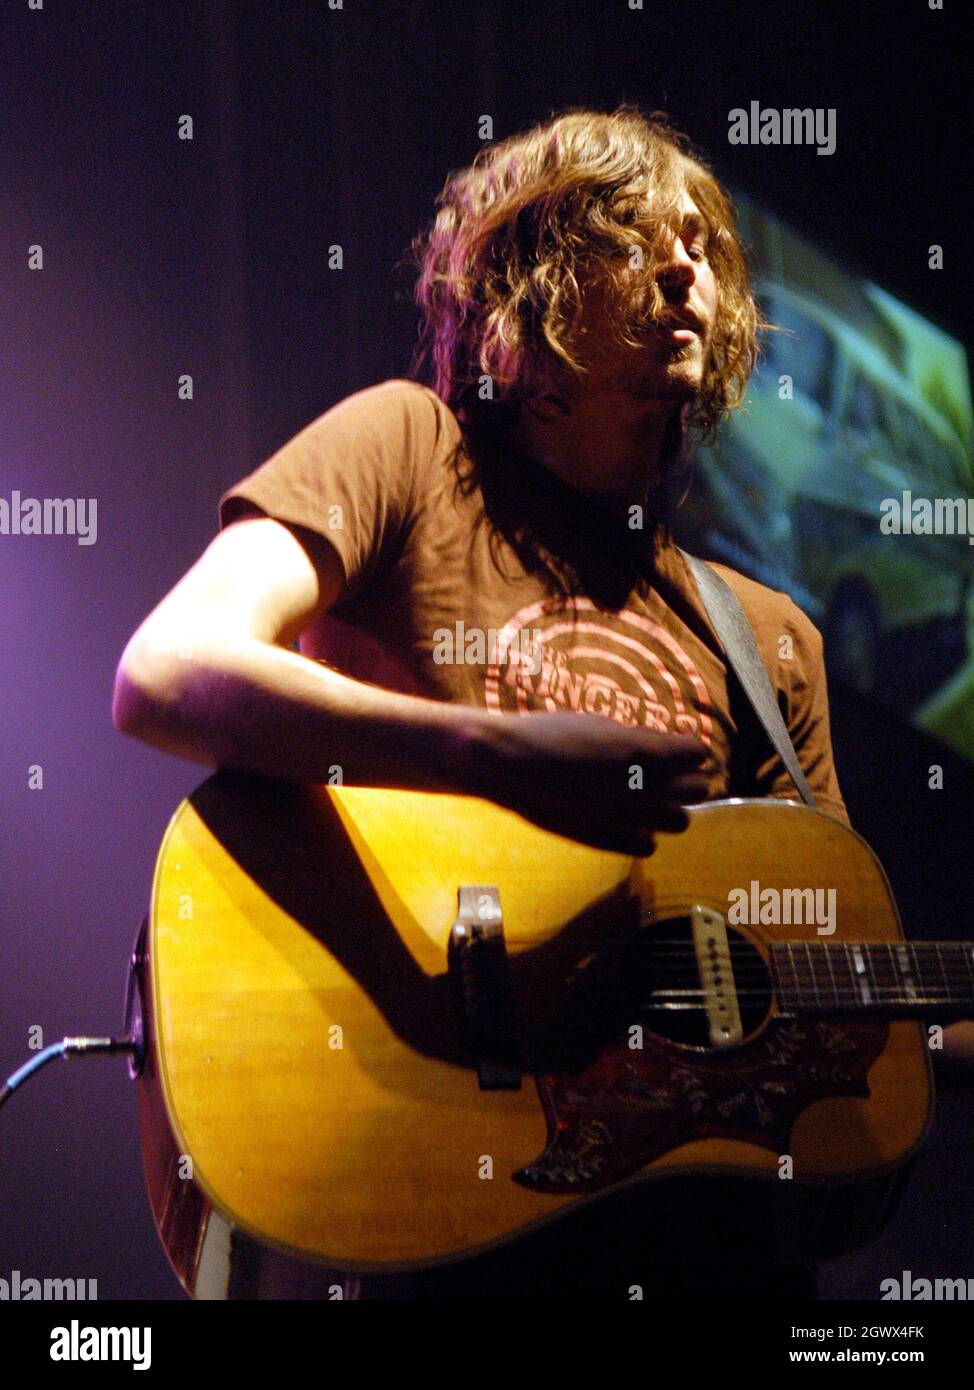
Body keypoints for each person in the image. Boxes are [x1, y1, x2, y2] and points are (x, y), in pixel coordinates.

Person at [113, 105, 850, 1297]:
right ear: (527, 278)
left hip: (684, 1246)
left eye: (702, 244)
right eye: (626, 234)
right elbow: (167, 672)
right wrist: (494, 752)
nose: (684, 267)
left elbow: (837, 970)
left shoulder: (771, 641)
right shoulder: (409, 449)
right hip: (414, 1178)